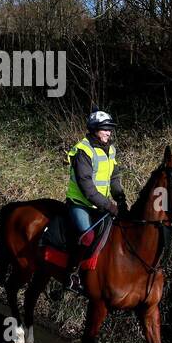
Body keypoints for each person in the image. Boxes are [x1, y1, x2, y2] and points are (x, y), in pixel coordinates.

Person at [64, 110, 127, 292]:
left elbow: (114, 177)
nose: (109, 133)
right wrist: (109, 206)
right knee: (87, 237)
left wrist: (120, 199)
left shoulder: (110, 149)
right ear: (94, 130)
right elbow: (87, 188)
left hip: (100, 205)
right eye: (105, 129)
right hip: (80, 204)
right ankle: (71, 274)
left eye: (110, 129)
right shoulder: (83, 150)